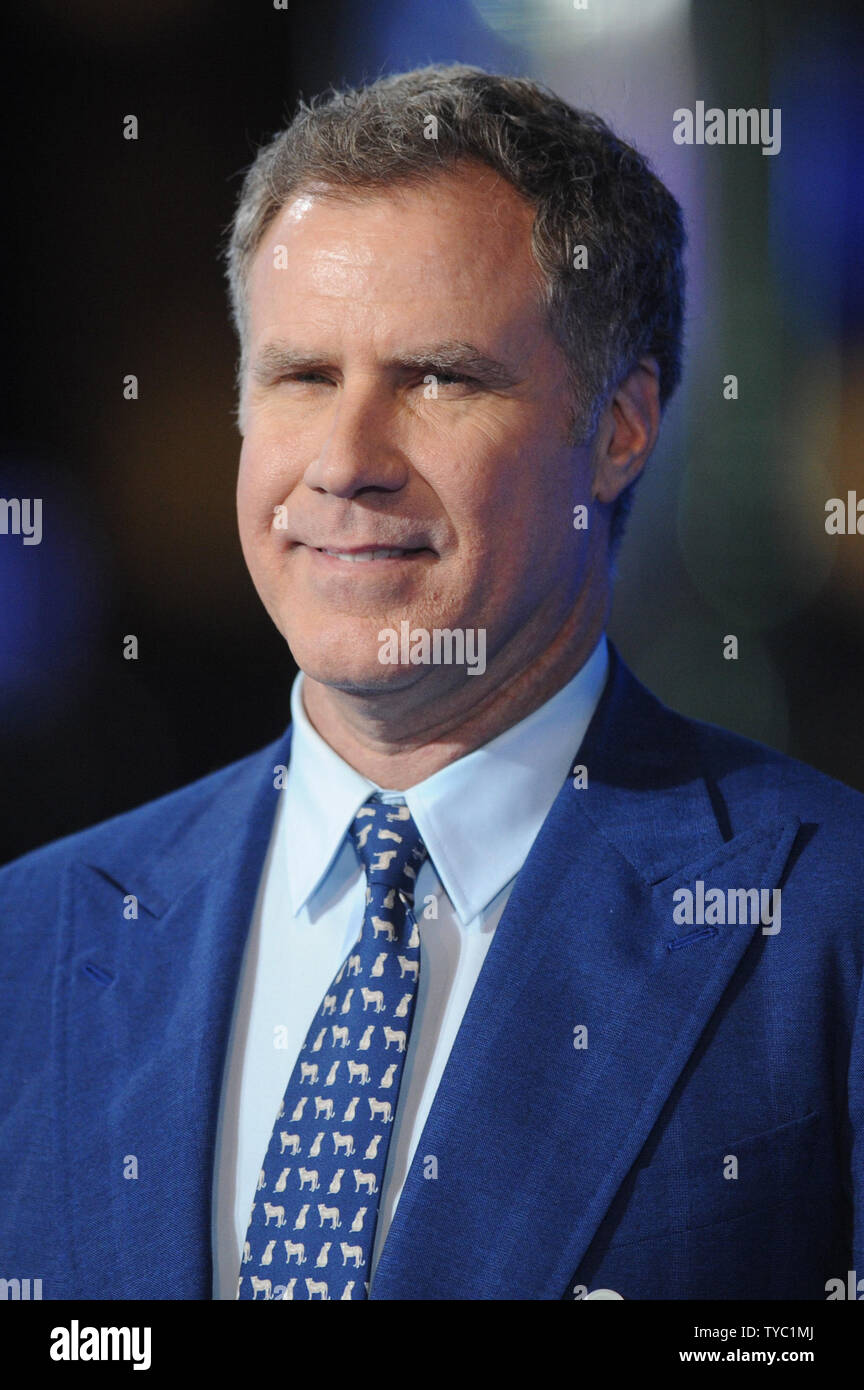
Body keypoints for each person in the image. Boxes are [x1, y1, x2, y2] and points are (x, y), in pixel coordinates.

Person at [1, 64, 861, 1302]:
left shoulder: (830, 923)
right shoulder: (32, 941)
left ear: (619, 430)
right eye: (302, 378)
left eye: (438, 378)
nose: (346, 462)